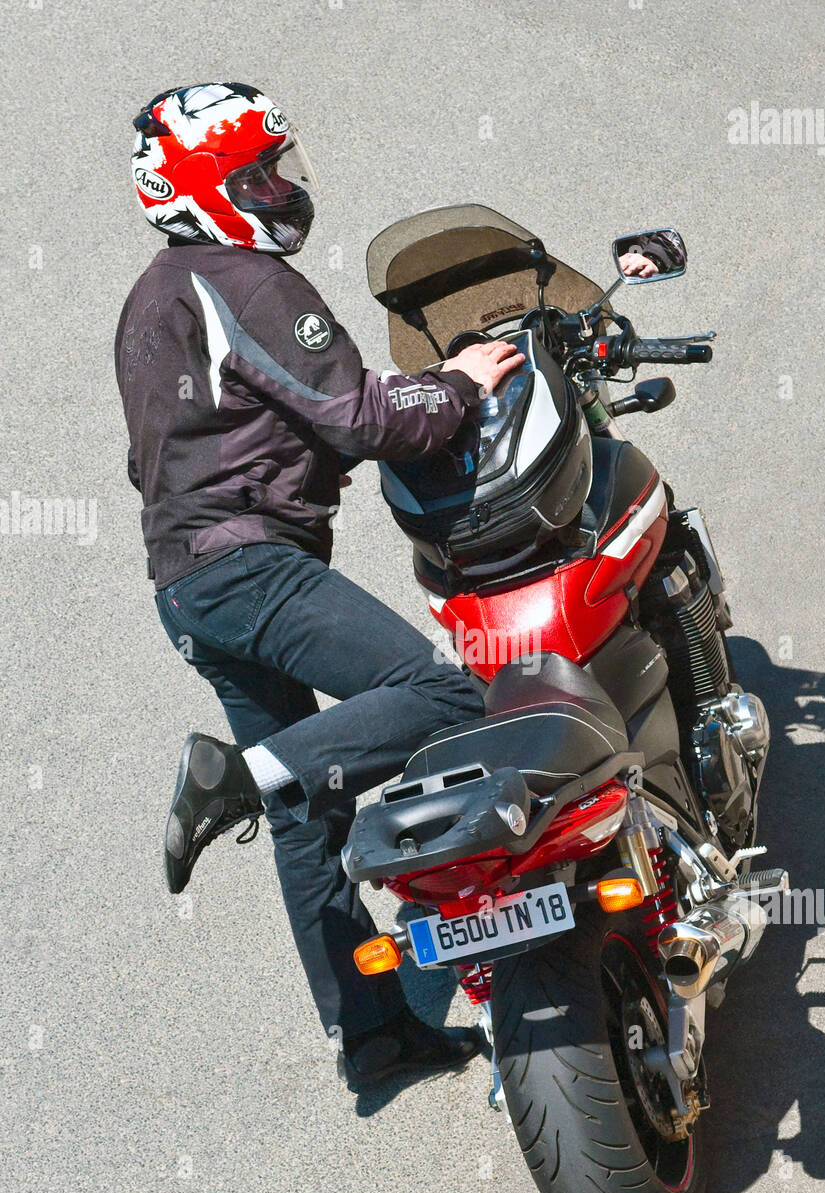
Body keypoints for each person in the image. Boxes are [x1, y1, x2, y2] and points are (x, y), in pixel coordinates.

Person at [115, 82, 525, 1088]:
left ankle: (374, 1036)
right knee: (445, 693)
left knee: (309, 809)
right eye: (258, 173)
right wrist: (465, 380)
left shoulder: (151, 296)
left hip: (190, 587)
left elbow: (179, 450)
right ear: (206, 190)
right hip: (249, 570)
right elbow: (358, 416)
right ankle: (227, 780)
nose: (283, 187)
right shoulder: (243, 281)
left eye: (278, 167)